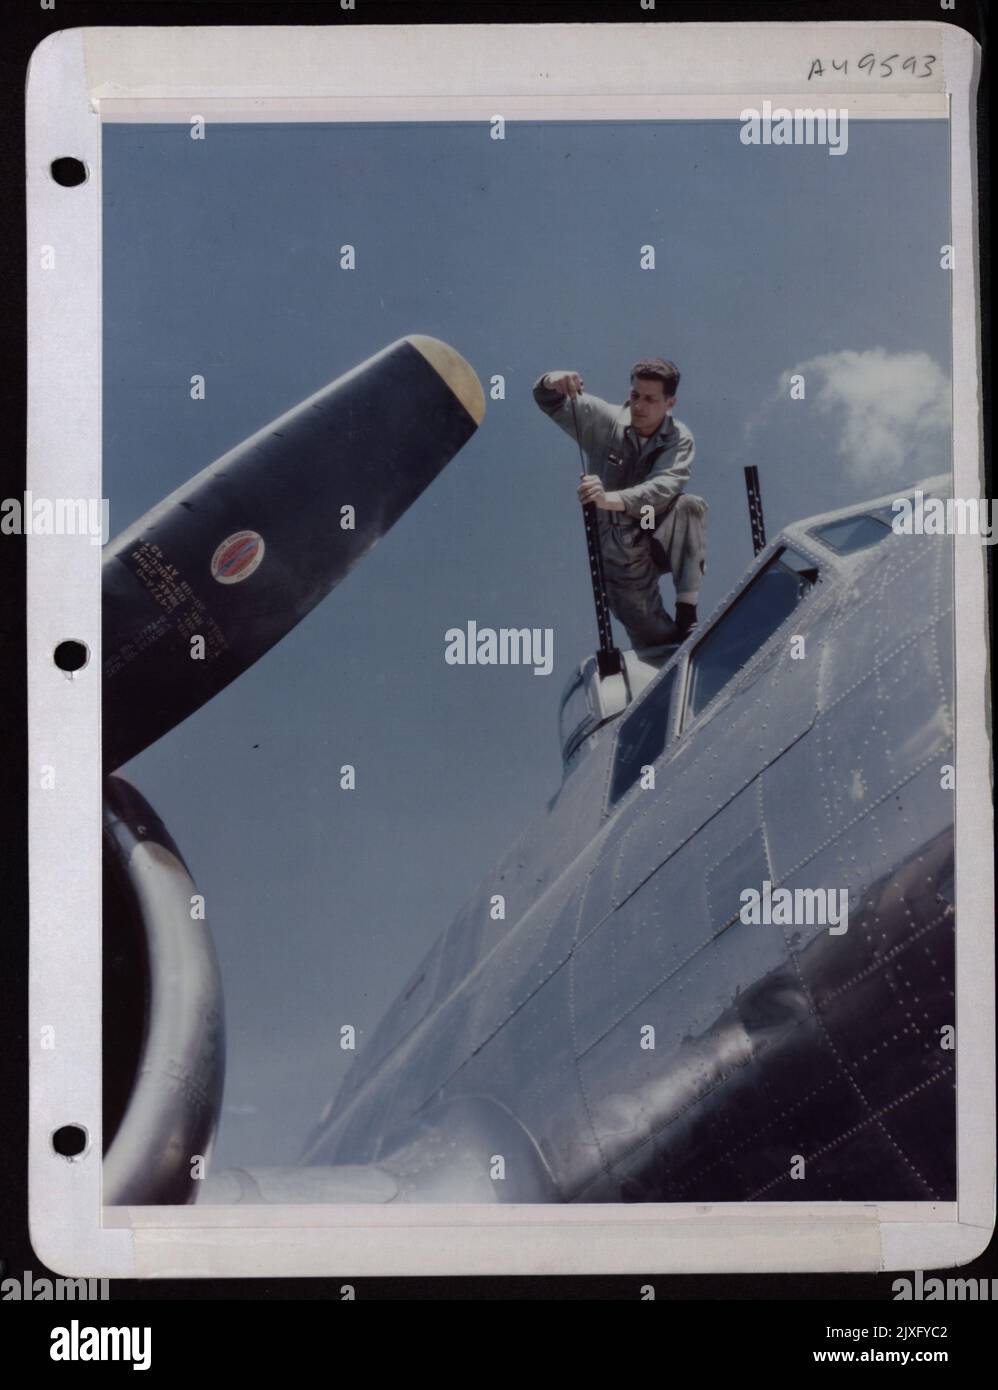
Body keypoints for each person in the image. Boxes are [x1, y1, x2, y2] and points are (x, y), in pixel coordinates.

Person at [532, 358, 707, 649]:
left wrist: (609, 499)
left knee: (690, 506)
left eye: (651, 399)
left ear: (670, 403)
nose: (639, 406)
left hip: (653, 527)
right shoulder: (604, 420)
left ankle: (687, 613)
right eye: (635, 395)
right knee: (657, 644)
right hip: (618, 555)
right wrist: (552, 379)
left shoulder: (679, 438)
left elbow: (664, 486)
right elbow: (547, 400)